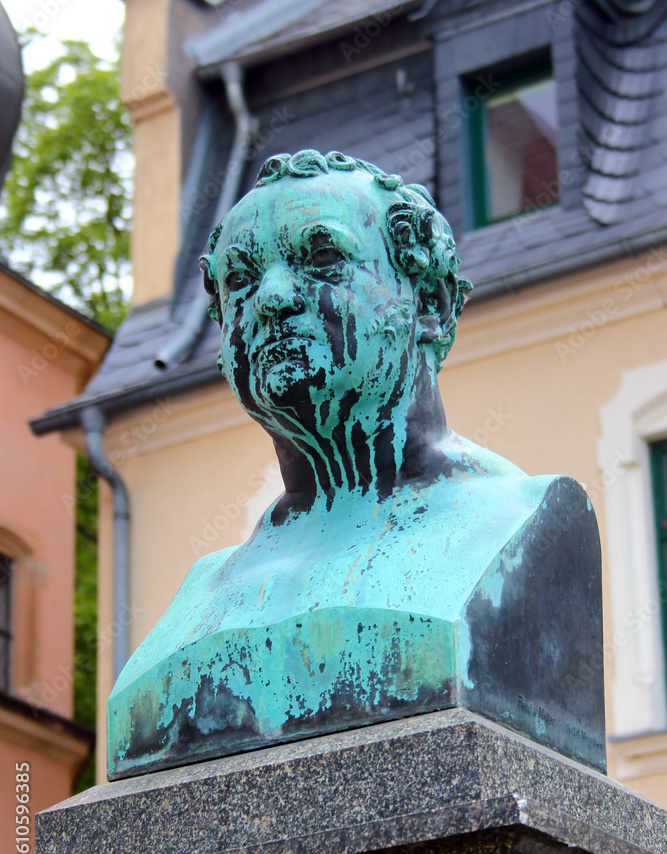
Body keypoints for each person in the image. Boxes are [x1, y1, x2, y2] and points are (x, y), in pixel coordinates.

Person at [107, 151, 604, 780]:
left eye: (321, 259)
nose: (272, 298)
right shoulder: (202, 595)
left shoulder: (527, 523)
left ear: (430, 301)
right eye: (240, 280)